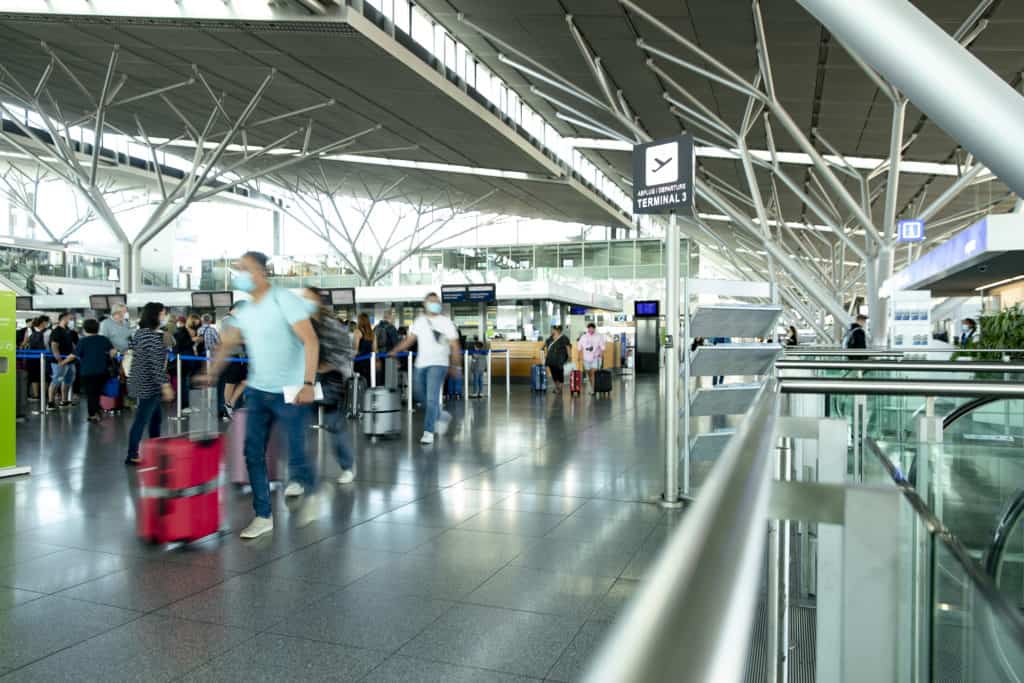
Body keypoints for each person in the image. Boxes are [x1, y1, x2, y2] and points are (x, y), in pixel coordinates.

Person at [201, 251, 320, 540]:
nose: (240, 274)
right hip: (257, 390)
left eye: (245, 268)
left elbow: (310, 340)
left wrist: (307, 382)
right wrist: (212, 372)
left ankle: (312, 489)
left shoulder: (283, 300)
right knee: (252, 453)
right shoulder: (245, 310)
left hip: (290, 388)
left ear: (261, 273)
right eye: (238, 269)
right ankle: (263, 515)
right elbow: (228, 343)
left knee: (295, 451)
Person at [389, 292, 461, 445]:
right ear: (424, 303)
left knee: (431, 397)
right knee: (418, 394)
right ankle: (441, 415)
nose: (435, 304)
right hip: (420, 363)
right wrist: (396, 350)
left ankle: (428, 431)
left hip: (439, 364)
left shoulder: (446, 322)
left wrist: (455, 365)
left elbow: (455, 345)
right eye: (431, 301)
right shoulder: (419, 321)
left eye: (437, 302)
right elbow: (410, 340)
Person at [302, 288, 357, 484]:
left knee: (334, 423)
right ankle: (300, 475)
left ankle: (347, 466)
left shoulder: (331, 325)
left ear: (318, 300)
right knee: (301, 426)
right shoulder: (301, 323)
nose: (304, 301)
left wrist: (326, 366)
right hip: (305, 378)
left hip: (329, 379)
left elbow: (345, 351)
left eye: (308, 298)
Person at [126, 303, 174, 465]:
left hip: (140, 380)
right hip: (149, 384)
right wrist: (165, 385)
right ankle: (132, 454)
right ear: (155, 315)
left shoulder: (140, 333)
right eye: (162, 313)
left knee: (155, 418)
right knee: (142, 420)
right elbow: (154, 364)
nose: (164, 316)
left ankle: (156, 448)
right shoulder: (152, 337)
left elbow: (132, 350)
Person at [75, 319, 115, 423]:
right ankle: (96, 410)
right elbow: (113, 351)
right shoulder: (104, 339)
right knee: (97, 392)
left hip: (87, 372)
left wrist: (63, 362)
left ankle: (93, 415)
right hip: (102, 371)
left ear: (84, 329)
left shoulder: (83, 341)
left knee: (91, 394)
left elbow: (75, 355)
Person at [219, 302, 249, 420]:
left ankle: (229, 404)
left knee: (244, 380)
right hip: (232, 355)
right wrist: (245, 340)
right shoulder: (228, 319)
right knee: (230, 383)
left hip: (239, 356)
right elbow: (228, 339)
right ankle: (227, 406)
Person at [48, 312, 76, 409]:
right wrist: (58, 358)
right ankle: (50, 402)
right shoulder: (57, 331)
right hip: (59, 361)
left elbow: (72, 344)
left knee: (68, 380)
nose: (70, 320)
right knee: (56, 380)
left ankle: (64, 400)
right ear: (64, 318)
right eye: (69, 318)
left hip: (70, 360)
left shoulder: (68, 331)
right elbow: (54, 345)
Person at [172, 315, 196, 412]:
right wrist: (192, 340)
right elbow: (184, 345)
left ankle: (185, 405)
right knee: (183, 384)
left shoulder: (179, 332)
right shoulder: (181, 332)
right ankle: (183, 406)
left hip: (184, 362)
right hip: (184, 362)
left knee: (185, 384)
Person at [23, 316, 49, 399]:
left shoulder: (30, 330)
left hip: (32, 356)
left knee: (34, 376)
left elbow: (25, 342)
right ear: (43, 323)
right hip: (45, 356)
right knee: (45, 375)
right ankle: (45, 395)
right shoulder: (48, 331)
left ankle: (36, 395)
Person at [578, 322, 606, 393]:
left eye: (592, 328)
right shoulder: (583, 337)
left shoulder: (599, 336)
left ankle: (593, 390)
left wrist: (602, 354)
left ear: (594, 329)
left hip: (595, 358)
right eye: (589, 328)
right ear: (587, 329)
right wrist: (579, 356)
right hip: (586, 358)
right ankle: (592, 386)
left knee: (593, 373)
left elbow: (602, 347)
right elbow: (579, 347)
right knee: (589, 374)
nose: (591, 330)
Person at [543, 325, 571, 394]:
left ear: (557, 330)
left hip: (560, 358)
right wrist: (546, 354)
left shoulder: (564, 338)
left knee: (560, 373)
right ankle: (557, 387)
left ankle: (560, 388)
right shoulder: (550, 338)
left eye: (553, 329)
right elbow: (546, 345)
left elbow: (568, 347)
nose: (552, 331)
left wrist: (570, 356)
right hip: (551, 358)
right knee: (553, 373)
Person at [353, 313, 377, 385]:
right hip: (369, 362)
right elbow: (375, 350)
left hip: (359, 362)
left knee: (359, 383)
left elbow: (355, 350)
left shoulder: (357, 332)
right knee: (369, 381)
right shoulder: (372, 334)